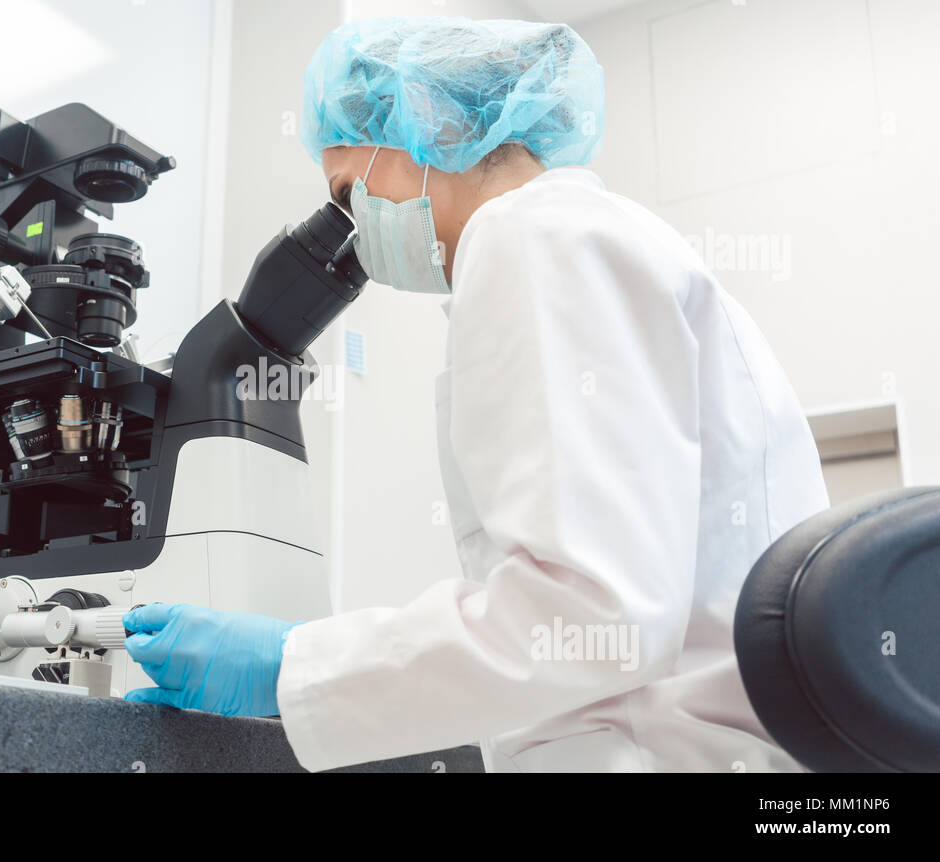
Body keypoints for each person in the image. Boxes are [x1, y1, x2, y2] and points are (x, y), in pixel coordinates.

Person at [120, 16, 830, 772]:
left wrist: (292, 664)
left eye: (345, 190)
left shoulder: (529, 235)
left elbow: (591, 613)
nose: (351, 227)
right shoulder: (592, 234)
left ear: (421, 125)